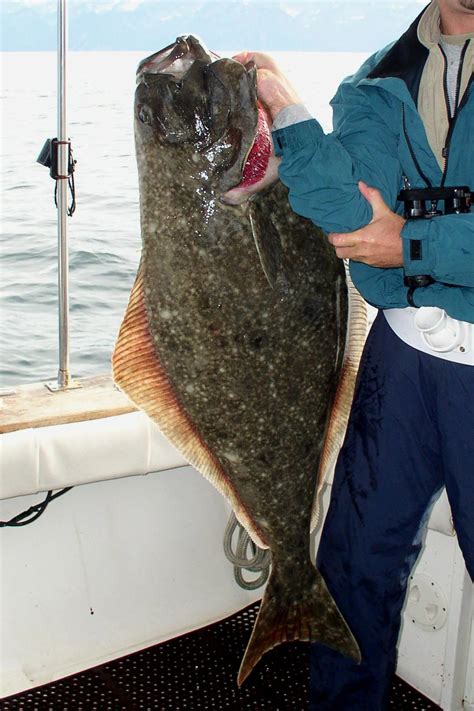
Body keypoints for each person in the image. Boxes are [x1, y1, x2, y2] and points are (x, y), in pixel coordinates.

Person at [234, 1, 473, 708]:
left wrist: (414, 244)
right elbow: (347, 213)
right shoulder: (377, 81)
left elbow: (390, 237)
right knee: (353, 568)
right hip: (401, 359)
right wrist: (290, 110)